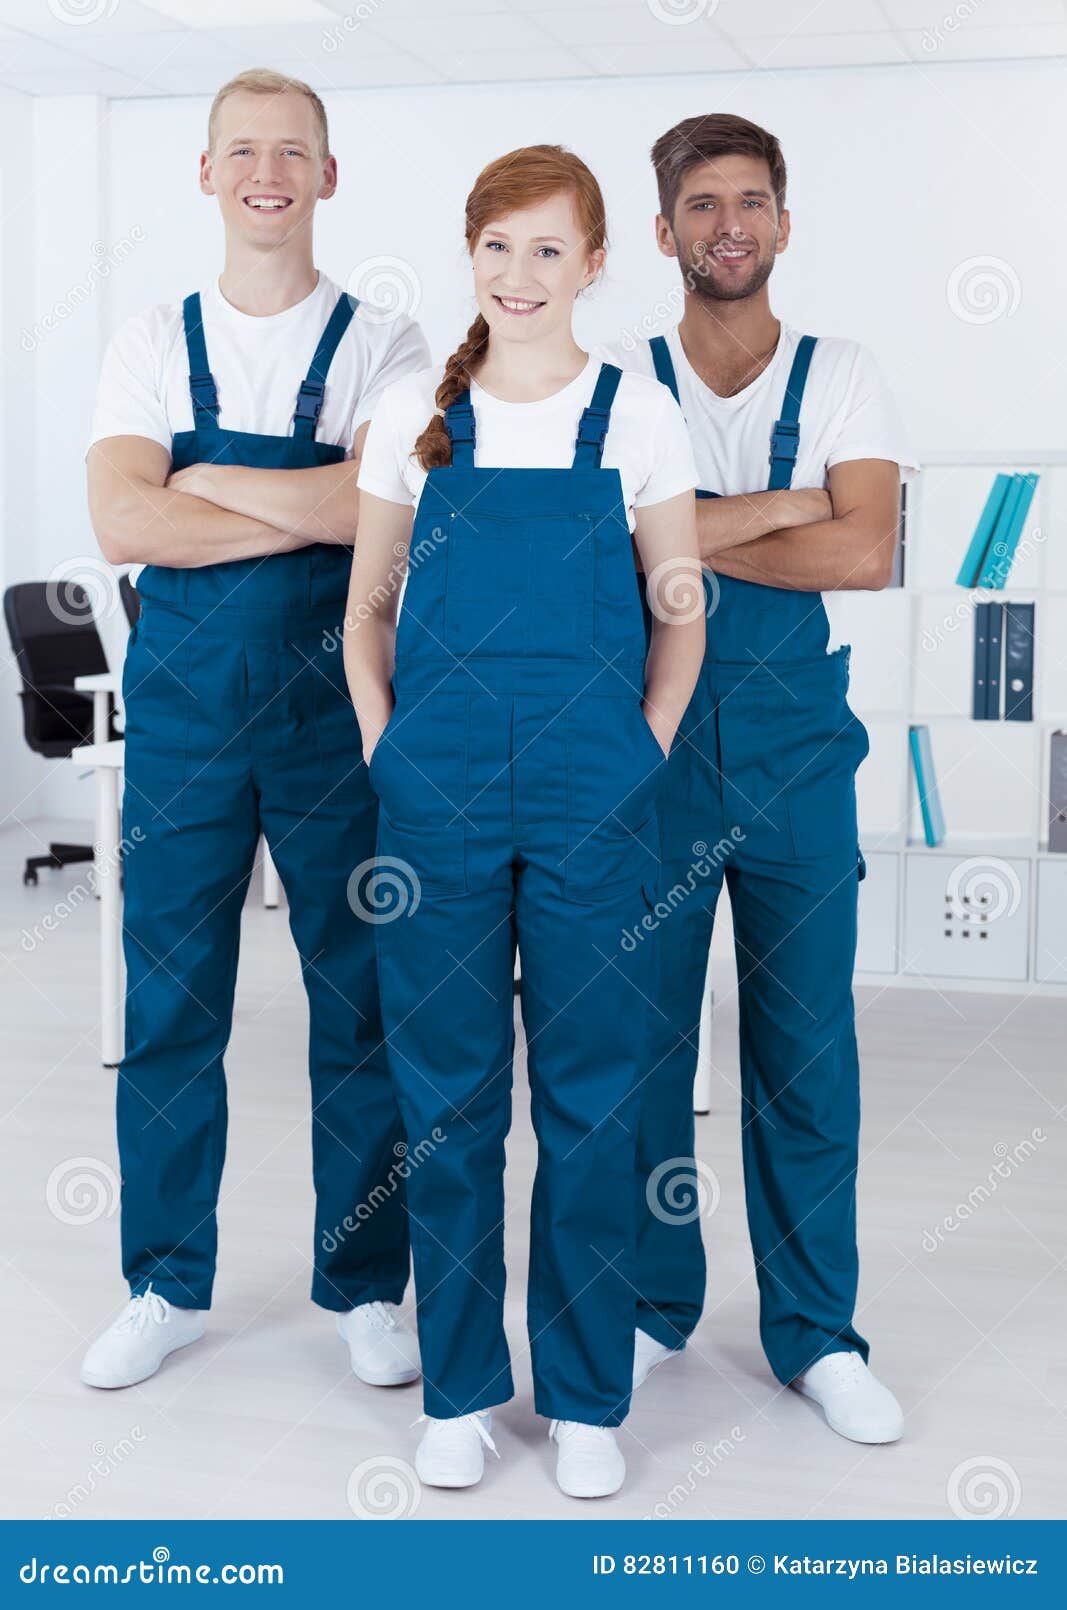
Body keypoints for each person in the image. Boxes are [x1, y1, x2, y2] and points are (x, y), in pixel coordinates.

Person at [346, 145, 704, 1497]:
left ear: (595, 263)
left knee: (595, 1096)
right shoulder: (413, 414)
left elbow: (681, 607)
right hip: (434, 788)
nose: (520, 273)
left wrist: (640, 750)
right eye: (498, 246)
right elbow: (366, 609)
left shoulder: (637, 414)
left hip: (591, 791)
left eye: (549, 249)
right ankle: (456, 1393)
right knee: (445, 1099)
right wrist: (385, 745)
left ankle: (588, 1398)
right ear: (471, 256)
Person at [82, 69, 425, 1392]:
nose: (266, 174)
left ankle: (367, 1285)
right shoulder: (148, 341)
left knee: (363, 993)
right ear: (206, 172)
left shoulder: (386, 341)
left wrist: (210, 479)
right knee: (172, 996)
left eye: (292, 152)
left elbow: (384, 516)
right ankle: (165, 1282)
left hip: (340, 701)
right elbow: (126, 520)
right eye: (242, 151)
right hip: (186, 712)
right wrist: (312, 497)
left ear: (328, 176)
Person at [616, 113, 916, 1444]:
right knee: (640, 1051)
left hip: (796, 758)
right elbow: (604, 552)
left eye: (750, 200)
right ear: (664, 230)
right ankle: (648, 1304)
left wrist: (681, 533)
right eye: (701, 203)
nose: (727, 224)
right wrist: (792, 505)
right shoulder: (622, 386)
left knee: (805, 1055)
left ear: (783, 222)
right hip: (652, 752)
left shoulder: (842, 374)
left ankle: (817, 1334)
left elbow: (866, 555)